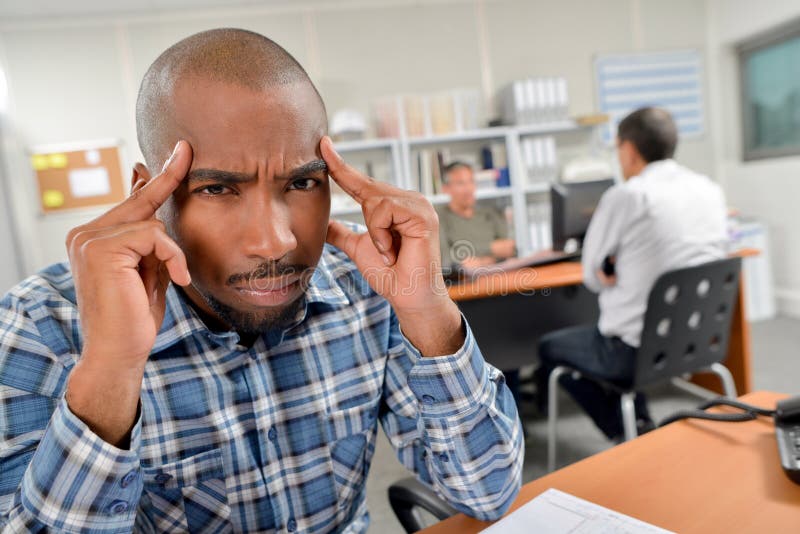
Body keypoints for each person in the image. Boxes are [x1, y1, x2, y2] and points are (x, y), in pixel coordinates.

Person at [0, 29, 522, 533]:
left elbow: (489, 493)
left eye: (301, 182)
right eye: (218, 189)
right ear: (149, 196)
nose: (275, 243)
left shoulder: (366, 291)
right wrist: (109, 374)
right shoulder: (40, 328)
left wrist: (429, 313)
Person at [535, 107, 728, 440]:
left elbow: (592, 277)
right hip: (698, 341)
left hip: (633, 354)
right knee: (625, 328)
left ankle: (628, 432)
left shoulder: (628, 195)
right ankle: (638, 422)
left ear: (628, 149)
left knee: (549, 349)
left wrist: (608, 271)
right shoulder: (710, 189)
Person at [436, 162, 515, 271]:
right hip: (464, 284)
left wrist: (478, 262)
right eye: (460, 183)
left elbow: (509, 249)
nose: (468, 189)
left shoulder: (491, 212)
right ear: (446, 189)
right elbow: (445, 259)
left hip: (499, 277)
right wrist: (492, 248)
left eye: (471, 181)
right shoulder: (439, 217)